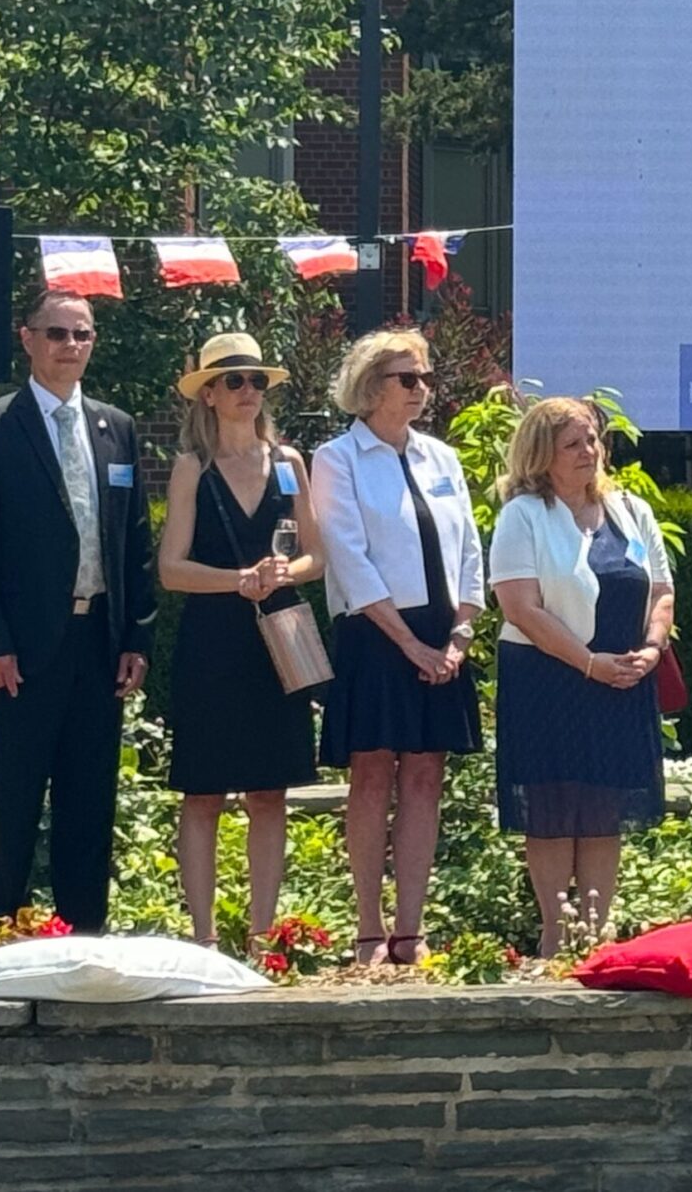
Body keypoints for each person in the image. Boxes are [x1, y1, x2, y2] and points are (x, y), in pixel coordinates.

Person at [0, 289, 155, 932]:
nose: (71, 346)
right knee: (15, 796)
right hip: (24, 649)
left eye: (83, 334)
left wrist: (136, 637)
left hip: (99, 643)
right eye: (57, 333)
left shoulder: (115, 426)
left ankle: (83, 936)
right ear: (28, 339)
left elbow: (135, 544)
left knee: (89, 800)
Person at [310, 329, 485, 966]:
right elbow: (349, 557)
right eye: (407, 379)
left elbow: (469, 551)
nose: (420, 390)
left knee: (426, 776)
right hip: (377, 633)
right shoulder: (337, 458)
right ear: (370, 386)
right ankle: (368, 929)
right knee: (372, 774)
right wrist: (410, 644)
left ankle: (411, 929)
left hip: (443, 637)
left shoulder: (442, 457)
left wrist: (460, 633)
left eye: (425, 379)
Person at [157, 332, 324, 951]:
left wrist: (284, 573)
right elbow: (171, 568)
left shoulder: (289, 461)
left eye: (256, 380)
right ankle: (202, 939)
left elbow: (317, 555)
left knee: (268, 791)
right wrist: (238, 580)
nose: (248, 391)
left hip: (277, 636)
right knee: (202, 792)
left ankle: (261, 937)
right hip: (213, 640)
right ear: (207, 395)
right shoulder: (191, 468)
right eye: (234, 381)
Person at [490, 397, 675, 956]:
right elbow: (521, 607)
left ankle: (593, 936)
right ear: (542, 454)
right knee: (550, 809)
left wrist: (650, 647)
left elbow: (661, 590)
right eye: (573, 443)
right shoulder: (521, 515)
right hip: (547, 682)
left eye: (592, 439)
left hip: (620, 680)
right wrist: (587, 663)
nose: (588, 451)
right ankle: (555, 934)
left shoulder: (631, 511)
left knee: (602, 809)